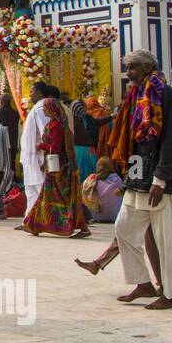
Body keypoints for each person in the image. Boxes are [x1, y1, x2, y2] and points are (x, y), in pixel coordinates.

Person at [107, 49, 172, 310]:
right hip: (139, 174)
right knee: (124, 227)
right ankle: (142, 282)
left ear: (149, 66)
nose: (129, 72)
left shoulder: (164, 93)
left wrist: (161, 179)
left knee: (166, 240)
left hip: (162, 180)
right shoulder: (136, 95)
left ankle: (170, 294)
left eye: (134, 67)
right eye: (127, 67)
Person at [22, 94, 90, 237]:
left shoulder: (56, 126)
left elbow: (55, 147)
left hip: (58, 169)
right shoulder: (56, 123)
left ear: (52, 109)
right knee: (54, 197)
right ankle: (34, 225)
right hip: (57, 166)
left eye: (46, 108)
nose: (44, 111)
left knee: (56, 197)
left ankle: (35, 225)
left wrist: (41, 145)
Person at [20, 83, 51, 213]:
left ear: (39, 93)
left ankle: (49, 220)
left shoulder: (41, 109)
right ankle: (29, 221)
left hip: (38, 157)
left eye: (32, 92)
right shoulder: (37, 108)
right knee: (31, 191)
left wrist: (45, 155)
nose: (30, 94)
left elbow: (46, 132)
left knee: (40, 189)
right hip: (30, 157)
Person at [81, 156, 124, 224]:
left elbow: (83, 195)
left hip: (95, 216)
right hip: (113, 216)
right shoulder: (117, 179)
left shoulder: (91, 179)